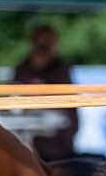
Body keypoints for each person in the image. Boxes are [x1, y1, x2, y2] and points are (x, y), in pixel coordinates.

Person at [13, 24, 78, 160]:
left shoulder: (61, 69)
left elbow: (67, 104)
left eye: (47, 43)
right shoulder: (23, 69)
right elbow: (15, 99)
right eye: (41, 43)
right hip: (28, 145)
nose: (44, 47)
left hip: (58, 146)